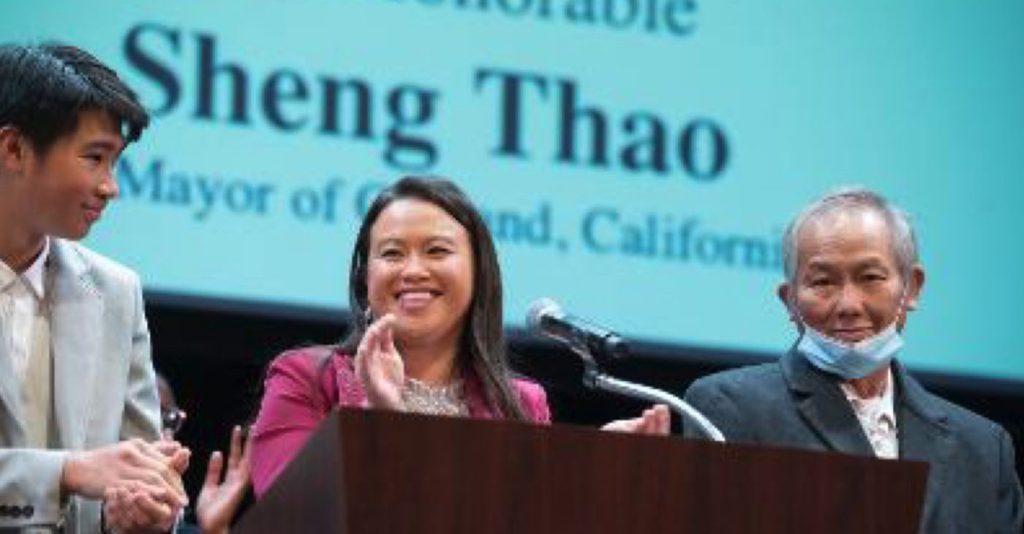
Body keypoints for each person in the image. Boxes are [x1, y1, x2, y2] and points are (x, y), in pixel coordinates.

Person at [249, 176, 667, 496]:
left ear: (478, 274)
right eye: (392, 253)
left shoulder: (521, 404)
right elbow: (289, 508)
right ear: (364, 279)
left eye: (437, 251)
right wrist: (378, 420)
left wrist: (587, 474)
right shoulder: (304, 377)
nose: (413, 270)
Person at [683, 188, 1023, 532]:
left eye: (870, 278)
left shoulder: (983, 449)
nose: (848, 305)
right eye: (823, 282)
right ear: (789, 302)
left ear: (912, 288)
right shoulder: (733, 407)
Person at [0, 42, 190, 533]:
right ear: (14, 149)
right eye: (95, 158)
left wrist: (139, 512)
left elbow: (139, 473)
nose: (111, 186)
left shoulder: (116, 292)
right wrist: (70, 471)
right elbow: (89, 472)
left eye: (115, 162)